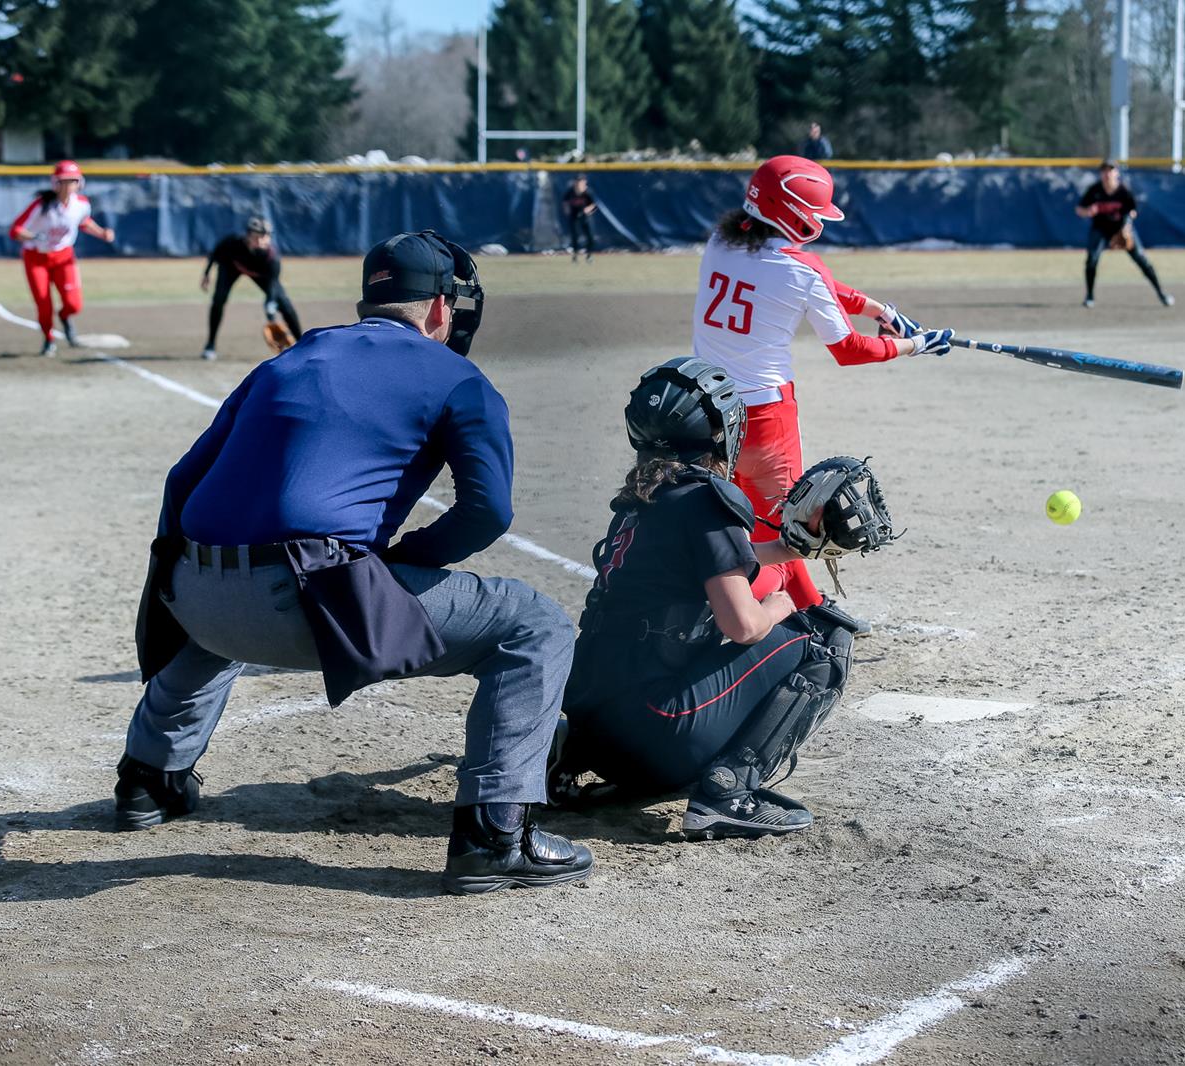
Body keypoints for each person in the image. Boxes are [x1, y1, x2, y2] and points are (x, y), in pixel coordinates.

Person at [119, 230, 592, 895]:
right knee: (535, 623)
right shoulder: (458, 375)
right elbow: (489, 512)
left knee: (226, 582)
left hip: (196, 600)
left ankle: (149, 781)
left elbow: (181, 481)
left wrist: (173, 588)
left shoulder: (298, 353)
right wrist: (404, 562)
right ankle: (494, 833)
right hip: (311, 603)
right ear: (439, 308)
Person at [559, 357, 856, 838]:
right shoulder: (705, 498)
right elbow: (744, 625)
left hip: (595, 729)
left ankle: (567, 754)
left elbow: (709, 558)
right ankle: (728, 791)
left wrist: (791, 546)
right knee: (823, 637)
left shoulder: (647, 495)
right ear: (718, 432)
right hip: (655, 737)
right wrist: (785, 599)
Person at [691, 155, 950, 632]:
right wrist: (914, 344)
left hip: (703, 408)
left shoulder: (720, 242)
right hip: (764, 414)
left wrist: (879, 308)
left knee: (729, 513)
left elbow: (818, 284)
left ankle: (803, 602)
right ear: (793, 213)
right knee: (782, 524)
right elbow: (850, 348)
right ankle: (800, 612)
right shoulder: (801, 269)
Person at [7, 159, 116, 356]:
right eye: (64, 181)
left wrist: (101, 233)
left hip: (63, 257)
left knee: (74, 304)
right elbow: (15, 230)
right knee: (43, 303)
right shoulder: (42, 205)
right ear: (55, 183)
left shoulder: (81, 204)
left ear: (79, 183)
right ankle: (49, 339)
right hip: (36, 258)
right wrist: (32, 236)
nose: (68, 186)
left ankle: (65, 317)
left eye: (72, 181)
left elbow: (83, 222)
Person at [1075, 161, 1174, 309]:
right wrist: (1088, 211)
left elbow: (1133, 211)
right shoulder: (1094, 190)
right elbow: (1079, 209)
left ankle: (1161, 293)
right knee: (1092, 260)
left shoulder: (1123, 191)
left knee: (1141, 259)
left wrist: (1127, 226)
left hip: (1122, 229)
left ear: (1117, 173)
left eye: (1111, 170)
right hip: (1100, 229)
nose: (1107, 174)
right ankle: (1089, 296)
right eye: (1104, 171)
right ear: (1101, 174)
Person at [199, 217, 301, 361]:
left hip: (260, 274)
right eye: (256, 237)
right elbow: (216, 252)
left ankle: (303, 344)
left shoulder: (272, 258)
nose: (260, 241)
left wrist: (271, 318)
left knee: (284, 303)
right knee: (219, 299)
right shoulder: (233, 243)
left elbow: (271, 292)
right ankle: (210, 344)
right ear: (248, 235)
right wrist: (206, 273)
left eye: (265, 237)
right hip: (231, 267)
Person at [563, 175, 597, 262]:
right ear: (575, 182)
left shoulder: (588, 192)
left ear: (584, 182)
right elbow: (564, 201)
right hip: (574, 216)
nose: (579, 183)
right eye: (578, 181)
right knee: (575, 236)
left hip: (585, 217)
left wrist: (588, 210)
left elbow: (594, 206)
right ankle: (575, 256)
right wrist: (567, 210)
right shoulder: (571, 192)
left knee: (590, 237)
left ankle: (589, 255)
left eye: (582, 181)